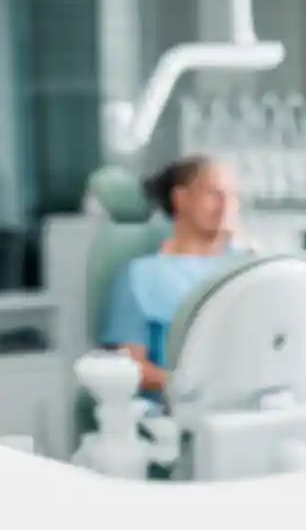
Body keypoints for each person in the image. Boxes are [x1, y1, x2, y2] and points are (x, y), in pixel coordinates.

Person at [101, 155, 245, 396]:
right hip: (180, 414)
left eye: (232, 196)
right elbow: (133, 367)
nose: (225, 205)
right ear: (181, 198)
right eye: (213, 194)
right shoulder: (141, 277)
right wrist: (192, 388)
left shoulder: (249, 268)